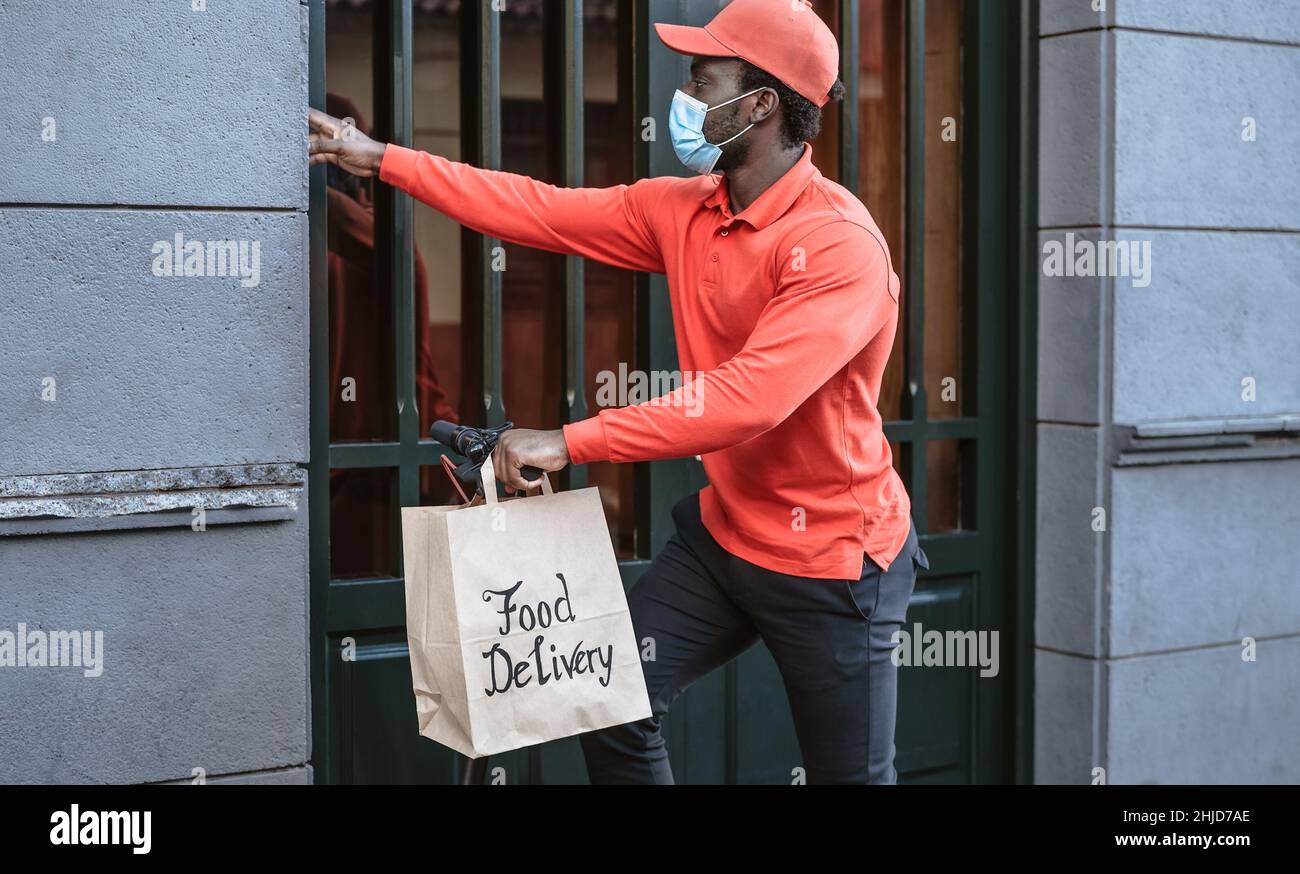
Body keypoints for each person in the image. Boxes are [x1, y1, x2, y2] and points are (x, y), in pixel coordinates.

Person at [309, 0, 928, 785]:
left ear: (761, 104)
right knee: (607, 700)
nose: (687, 95)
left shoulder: (838, 244)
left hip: (836, 562)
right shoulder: (685, 209)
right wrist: (384, 159)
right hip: (729, 540)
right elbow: (537, 210)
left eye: (705, 80)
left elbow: (749, 399)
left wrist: (569, 440)